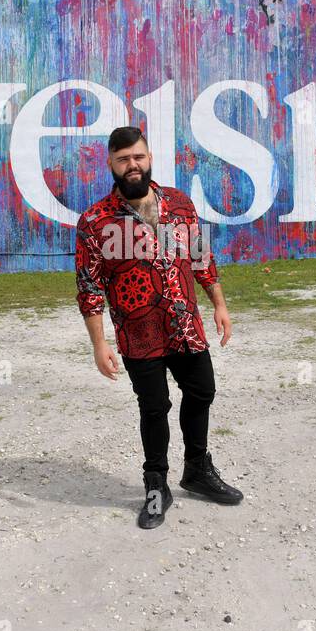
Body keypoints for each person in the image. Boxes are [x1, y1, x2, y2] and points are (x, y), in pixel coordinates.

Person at [75, 126, 243, 529]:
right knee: (154, 407)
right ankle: (156, 486)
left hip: (185, 324)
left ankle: (197, 470)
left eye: (138, 157)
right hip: (139, 333)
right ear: (111, 165)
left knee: (202, 390)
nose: (133, 165)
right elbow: (89, 285)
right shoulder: (96, 220)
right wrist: (99, 344)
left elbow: (201, 257)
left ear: (149, 158)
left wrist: (219, 304)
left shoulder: (180, 205)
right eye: (123, 160)